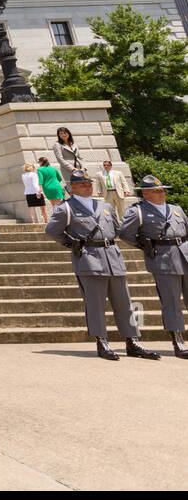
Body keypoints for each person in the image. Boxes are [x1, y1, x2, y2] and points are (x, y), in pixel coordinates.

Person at [45, 168, 159, 361]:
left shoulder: (104, 206)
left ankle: (133, 341)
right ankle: (102, 341)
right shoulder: (66, 208)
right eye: (82, 184)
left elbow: (116, 229)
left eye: (89, 184)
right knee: (95, 303)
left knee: (125, 303)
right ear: (72, 188)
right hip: (89, 258)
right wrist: (71, 243)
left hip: (112, 257)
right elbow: (51, 230)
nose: (87, 187)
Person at [118, 176, 188, 358]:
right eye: (157, 190)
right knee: (171, 302)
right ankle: (178, 341)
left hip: (185, 255)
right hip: (163, 259)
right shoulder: (138, 211)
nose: (162, 193)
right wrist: (146, 246)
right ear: (146, 193)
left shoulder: (176, 209)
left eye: (163, 190)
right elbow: (126, 234)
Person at [52, 126, 83, 194]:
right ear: (59, 135)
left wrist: (84, 167)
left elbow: (80, 157)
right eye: (61, 133)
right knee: (73, 190)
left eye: (65, 133)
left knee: (83, 188)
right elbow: (60, 159)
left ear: (69, 134)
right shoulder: (57, 145)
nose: (63, 134)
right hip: (68, 170)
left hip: (80, 169)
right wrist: (73, 169)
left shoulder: (73, 144)